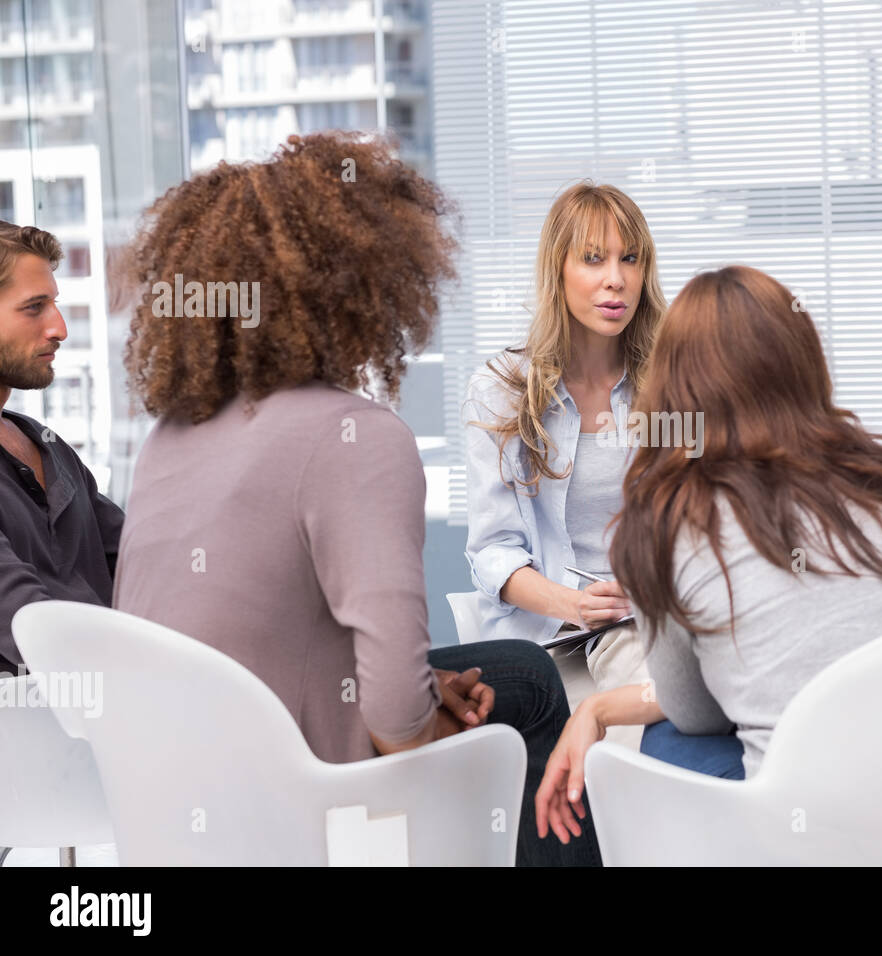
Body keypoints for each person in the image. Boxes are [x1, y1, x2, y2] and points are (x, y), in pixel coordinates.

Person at [113, 133, 599, 866]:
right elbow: (398, 725)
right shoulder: (357, 438)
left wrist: (421, 685)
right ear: (365, 286)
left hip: (169, 794)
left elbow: (259, 627)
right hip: (298, 785)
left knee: (511, 671)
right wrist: (433, 730)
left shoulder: (169, 439)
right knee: (526, 689)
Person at [532, 265, 882, 845]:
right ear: (802, 360)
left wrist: (599, 710)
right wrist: (600, 708)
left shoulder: (669, 515)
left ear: (675, 385)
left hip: (821, 837)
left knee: (670, 743)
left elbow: (696, 712)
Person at [461, 181, 667, 713]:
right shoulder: (500, 389)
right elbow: (492, 552)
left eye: (630, 259)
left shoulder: (671, 385)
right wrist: (576, 605)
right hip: (551, 642)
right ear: (559, 269)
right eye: (593, 259)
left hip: (653, 626)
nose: (615, 280)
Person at [0, 221, 123, 673]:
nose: (60, 328)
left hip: (106, 727)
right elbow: (35, 629)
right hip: (25, 738)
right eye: (35, 308)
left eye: (55, 304)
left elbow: (140, 562)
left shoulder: (46, 446)